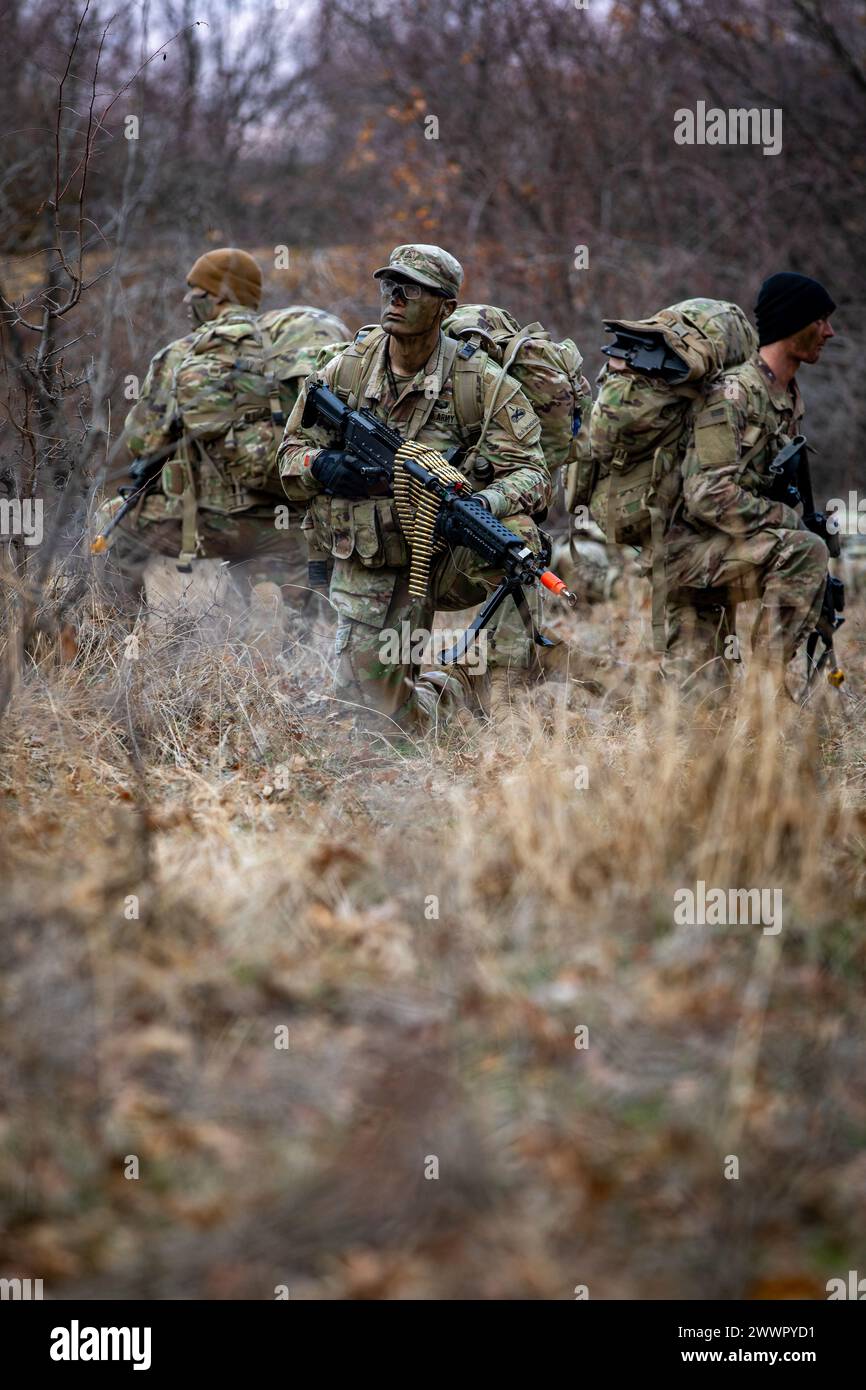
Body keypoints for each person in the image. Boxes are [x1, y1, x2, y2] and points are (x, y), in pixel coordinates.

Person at [277, 243, 551, 730]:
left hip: (446, 555)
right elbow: (287, 455)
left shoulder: (478, 382)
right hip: (372, 557)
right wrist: (322, 465)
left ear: (445, 307)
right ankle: (449, 690)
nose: (395, 299)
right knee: (378, 723)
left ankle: (504, 686)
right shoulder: (345, 370)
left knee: (519, 537)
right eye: (389, 287)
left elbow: (533, 474)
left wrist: (482, 503)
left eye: (412, 290)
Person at [96, 247, 345, 624]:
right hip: (288, 524)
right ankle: (302, 659)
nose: (185, 300)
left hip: (208, 523)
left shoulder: (182, 353)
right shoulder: (288, 350)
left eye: (193, 292)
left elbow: (141, 442)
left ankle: (114, 639)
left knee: (111, 521)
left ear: (217, 297)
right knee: (303, 612)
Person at [662, 272, 836, 695]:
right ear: (793, 323)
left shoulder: (786, 395)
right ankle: (764, 692)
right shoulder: (736, 394)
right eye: (820, 321)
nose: (829, 332)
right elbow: (706, 495)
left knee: (702, 715)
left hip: (725, 551)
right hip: (688, 554)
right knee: (804, 550)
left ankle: (755, 714)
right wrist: (786, 521)